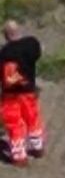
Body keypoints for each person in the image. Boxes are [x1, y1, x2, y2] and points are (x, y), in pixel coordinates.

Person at [0, 21, 42, 164]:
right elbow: (37, 55)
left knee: (14, 124)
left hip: (10, 94)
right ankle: (37, 147)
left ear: (5, 36)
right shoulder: (31, 44)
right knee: (32, 117)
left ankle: (19, 156)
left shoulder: (3, 53)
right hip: (28, 90)